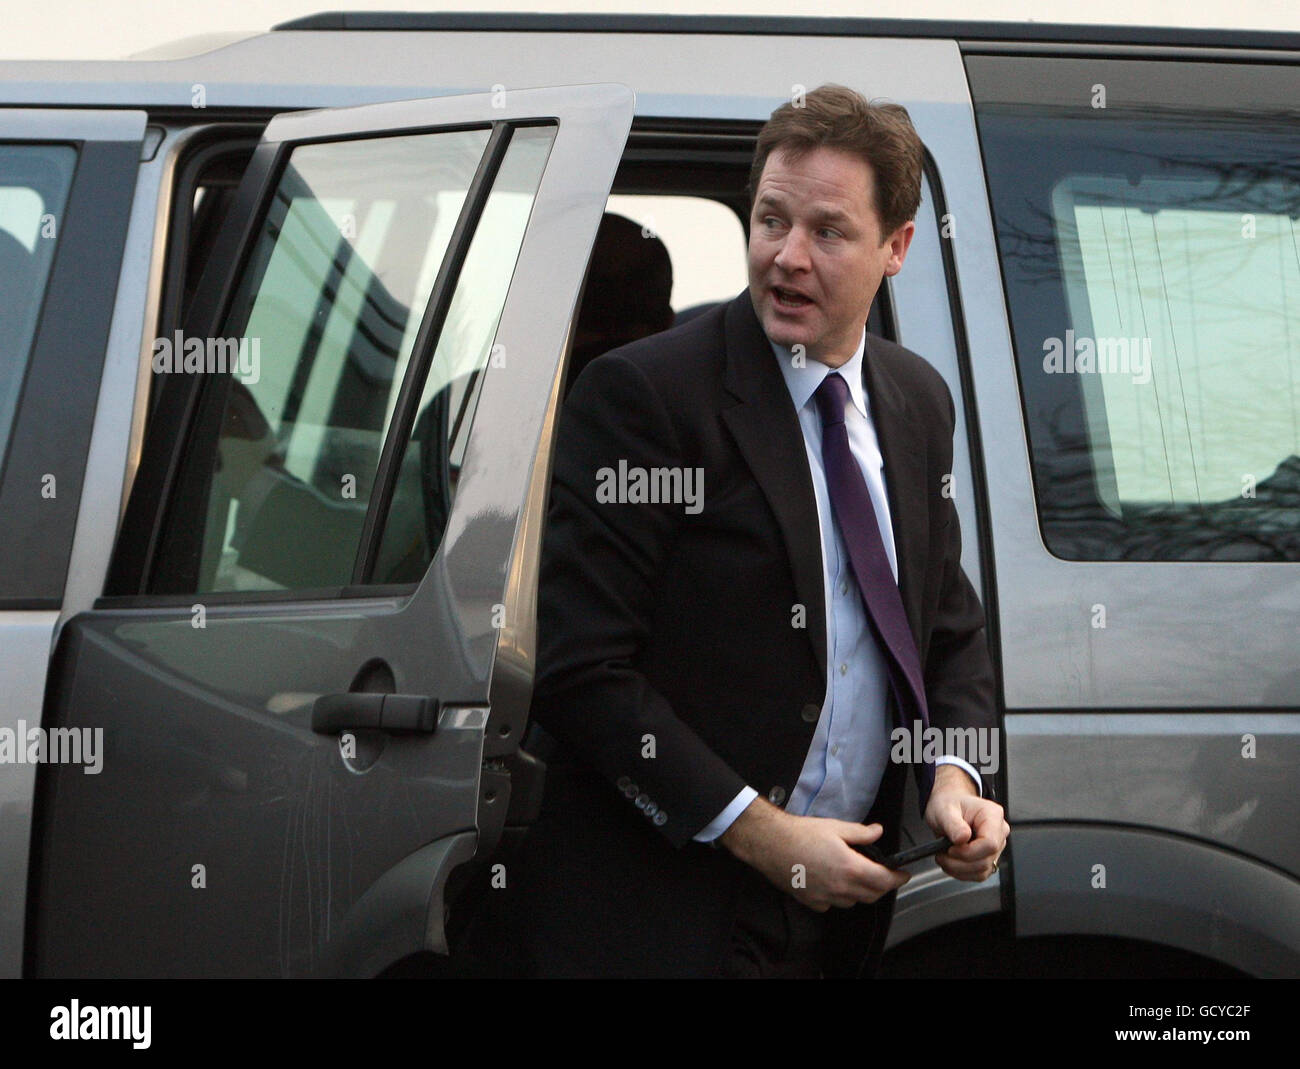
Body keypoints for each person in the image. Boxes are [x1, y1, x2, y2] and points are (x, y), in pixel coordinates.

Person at [466, 84, 1009, 978]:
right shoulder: (644, 397)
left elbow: (947, 628)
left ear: (897, 248)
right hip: (656, 918)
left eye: (827, 232)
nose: (787, 257)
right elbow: (582, 669)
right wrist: (763, 835)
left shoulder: (917, 402)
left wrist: (956, 783)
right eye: (770, 221)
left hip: (844, 915)